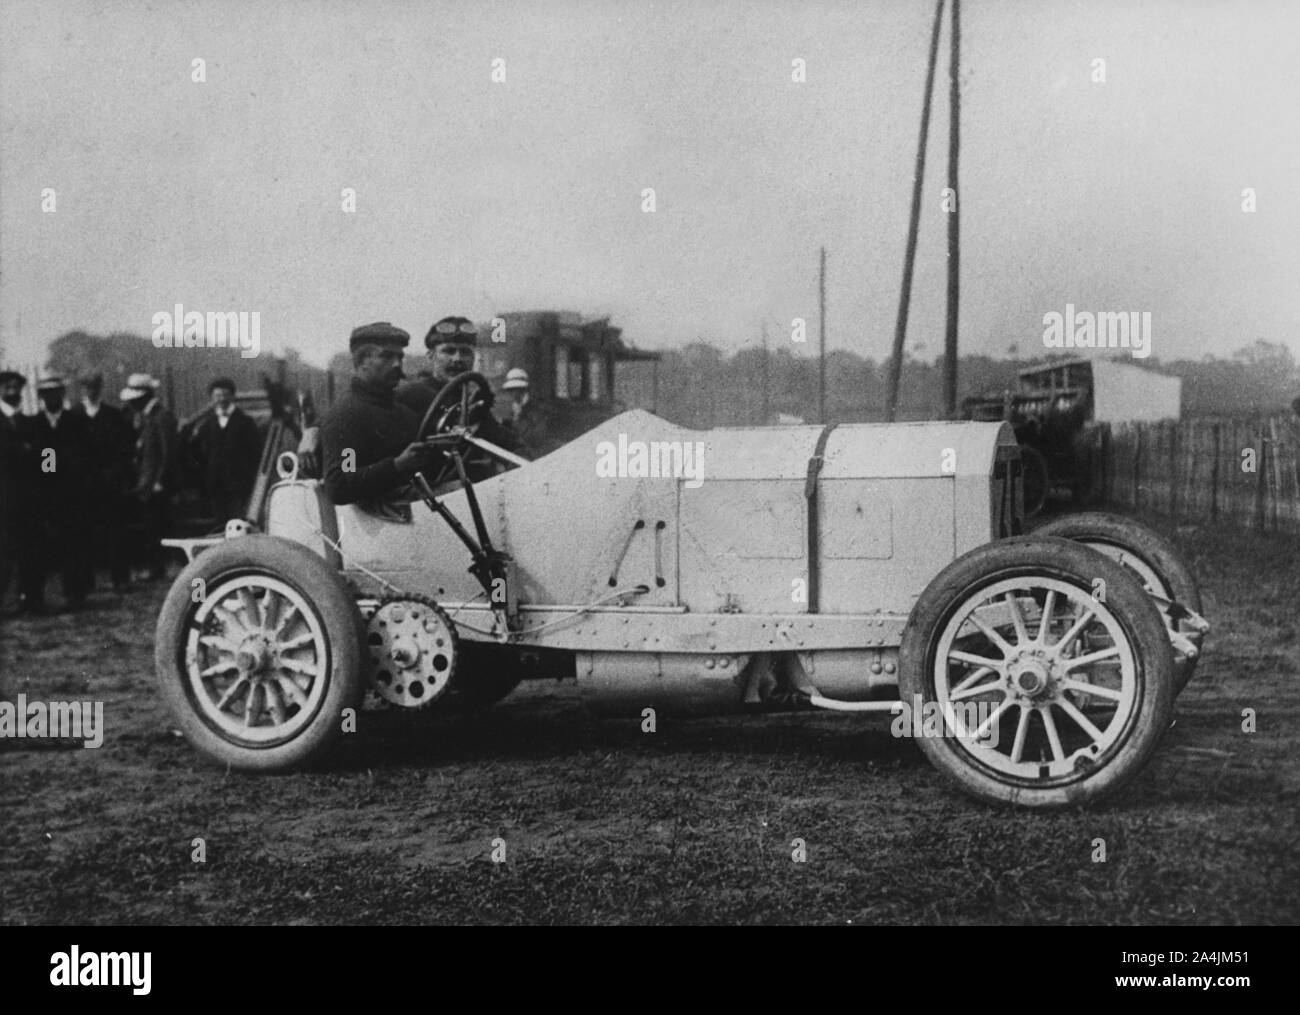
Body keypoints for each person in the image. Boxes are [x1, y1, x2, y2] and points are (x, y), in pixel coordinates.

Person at [318, 322, 441, 508]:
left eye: (400, 356)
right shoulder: (347, 415)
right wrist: (397, 465)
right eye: (386, 356)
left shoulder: (404, 413)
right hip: (381, 518)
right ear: (362, 362)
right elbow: (341, 484)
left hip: (413, 510)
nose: (397, 364)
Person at [395, 316, 519, 480]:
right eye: (448, 351)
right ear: (431, 356)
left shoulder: (468, 402)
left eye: (465, 352)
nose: (458, 359)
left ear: (473, 358)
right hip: (423, 492)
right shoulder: (410, 395)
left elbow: (507, 442)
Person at [29, 371, 93, 611]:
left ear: (62, 395)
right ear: (41, 397)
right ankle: (36, 596)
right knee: (42, 546)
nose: (50, 399)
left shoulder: (76, 420)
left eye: (55, 394)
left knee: (74, 544)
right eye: (46, 395)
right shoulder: (35, 424)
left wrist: (63, 464)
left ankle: (76, 593)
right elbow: (40, 460)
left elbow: (86, 454)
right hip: (45, 494)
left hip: (73, 494)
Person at [70, 372, 134, 593]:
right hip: (82, 485)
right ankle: (86, 582)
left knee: (115, 532)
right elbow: (66, 451)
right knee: (84, 534)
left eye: (95, 386)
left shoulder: (113, 415)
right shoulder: (74, 416)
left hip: (109, 484)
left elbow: (125, 450)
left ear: (101, 388)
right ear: (82, 389)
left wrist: (115, 474)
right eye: (87, 387)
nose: (91, 390)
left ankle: (120, 578)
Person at [120, 372, 177, 581]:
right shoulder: (147, 416)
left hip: (156, 485)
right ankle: (156, 567)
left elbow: (168, 451)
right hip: (147, 484)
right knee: (151, 527)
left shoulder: (161, 416)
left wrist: (160, 480)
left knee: (157, 527)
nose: (132, 405)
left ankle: (159, 568)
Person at [190, 377, 261, 523]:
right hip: (216, 484)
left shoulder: (246, 422)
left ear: (233, 396)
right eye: (217, 396)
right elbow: (198, 454)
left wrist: (248, 476)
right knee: (220, 522)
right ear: (212, 398)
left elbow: (255, 453)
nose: (222, 399)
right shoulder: (207, 425)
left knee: (239, 522)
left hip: (240, 484)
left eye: (225, 395)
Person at [0, 369, 38, 614]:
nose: (13, 392)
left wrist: (49, 474)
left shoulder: (30, 423)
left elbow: (48, 453)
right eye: (8, 387)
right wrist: (21, 450)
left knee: (29, 549)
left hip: (28, 498)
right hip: (2, 497)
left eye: (17, 388)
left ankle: (31, 600)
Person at [500, 367, 550, 459]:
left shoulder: (537, 409)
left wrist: (518, 418)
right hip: (516, 455)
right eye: (511, 390)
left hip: (534, 455)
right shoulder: (512, 409)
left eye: (517, 389)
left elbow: (538, 438)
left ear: (524, 389)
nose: (514, 393)